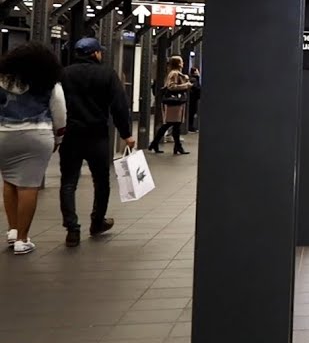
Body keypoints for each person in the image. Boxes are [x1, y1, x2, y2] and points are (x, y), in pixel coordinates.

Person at [59, 37, 135, 247]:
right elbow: (119, 105)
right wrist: (126, 133)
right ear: (94, 53)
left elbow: (55, 103)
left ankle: (72, 229)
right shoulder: (107, 74)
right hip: (97, 135)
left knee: (68, 182)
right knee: (101, 181)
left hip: (71, 135)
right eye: (99, 51)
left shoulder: (64, 74)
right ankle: (97, 222)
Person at [0, 43, 66, 255]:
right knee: (29, 185)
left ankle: (12, 230)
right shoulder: (49, 83)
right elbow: (60, 112)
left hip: (3, 134)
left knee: (9, 181)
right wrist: (58, 138)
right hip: (37, 135)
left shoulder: (2, 80)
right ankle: (22, 239)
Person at [149, 56, 192, 155]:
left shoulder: (175, 73)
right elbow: (171, 87)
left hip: (175, 104)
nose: (183, 63)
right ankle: (173, 146)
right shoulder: (174, 73)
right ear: (178, 63)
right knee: (171, 124)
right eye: (181, 61)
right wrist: (186, 85)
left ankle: (173, 146)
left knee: (173, 124)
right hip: (174, 104)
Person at [187, 67, 201, 132]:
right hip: (193, 99)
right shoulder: (194, 79)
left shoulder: (192, 79)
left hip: (192, 99)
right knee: (192, 113)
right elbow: (196, 88)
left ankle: (190, 126)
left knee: (191, 113)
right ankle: (190, 127)